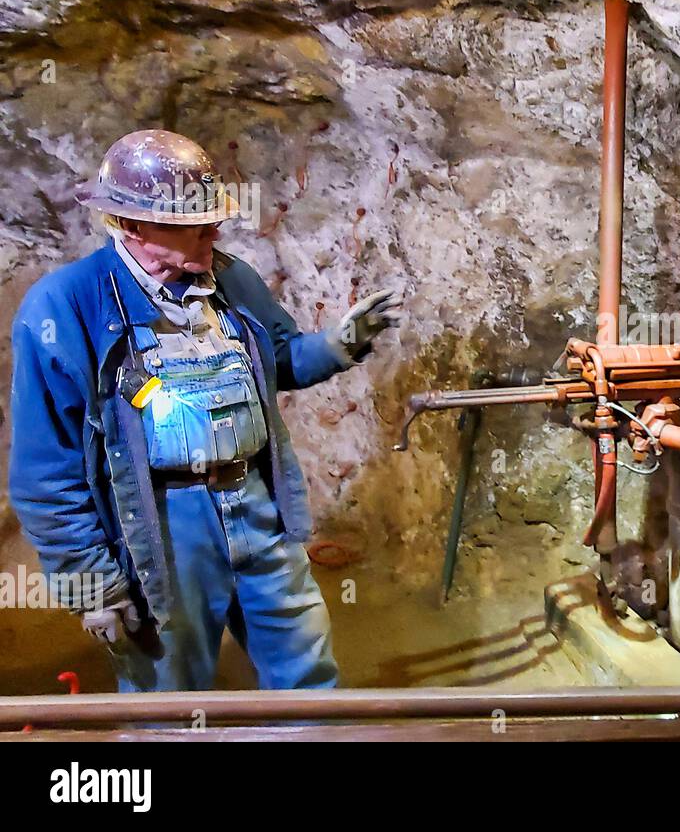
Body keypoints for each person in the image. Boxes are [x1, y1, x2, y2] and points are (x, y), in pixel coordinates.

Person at [8, 129, 401, 691]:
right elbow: (46, 471)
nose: (215, 231)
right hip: (161, 524)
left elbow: (280, 359)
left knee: (305, 664)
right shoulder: (65, 304)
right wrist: (90, 582)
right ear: (132, 225)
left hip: (254, 502)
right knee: (166, 686)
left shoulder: (231, 277)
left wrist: (337, 344)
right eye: (195, 221)